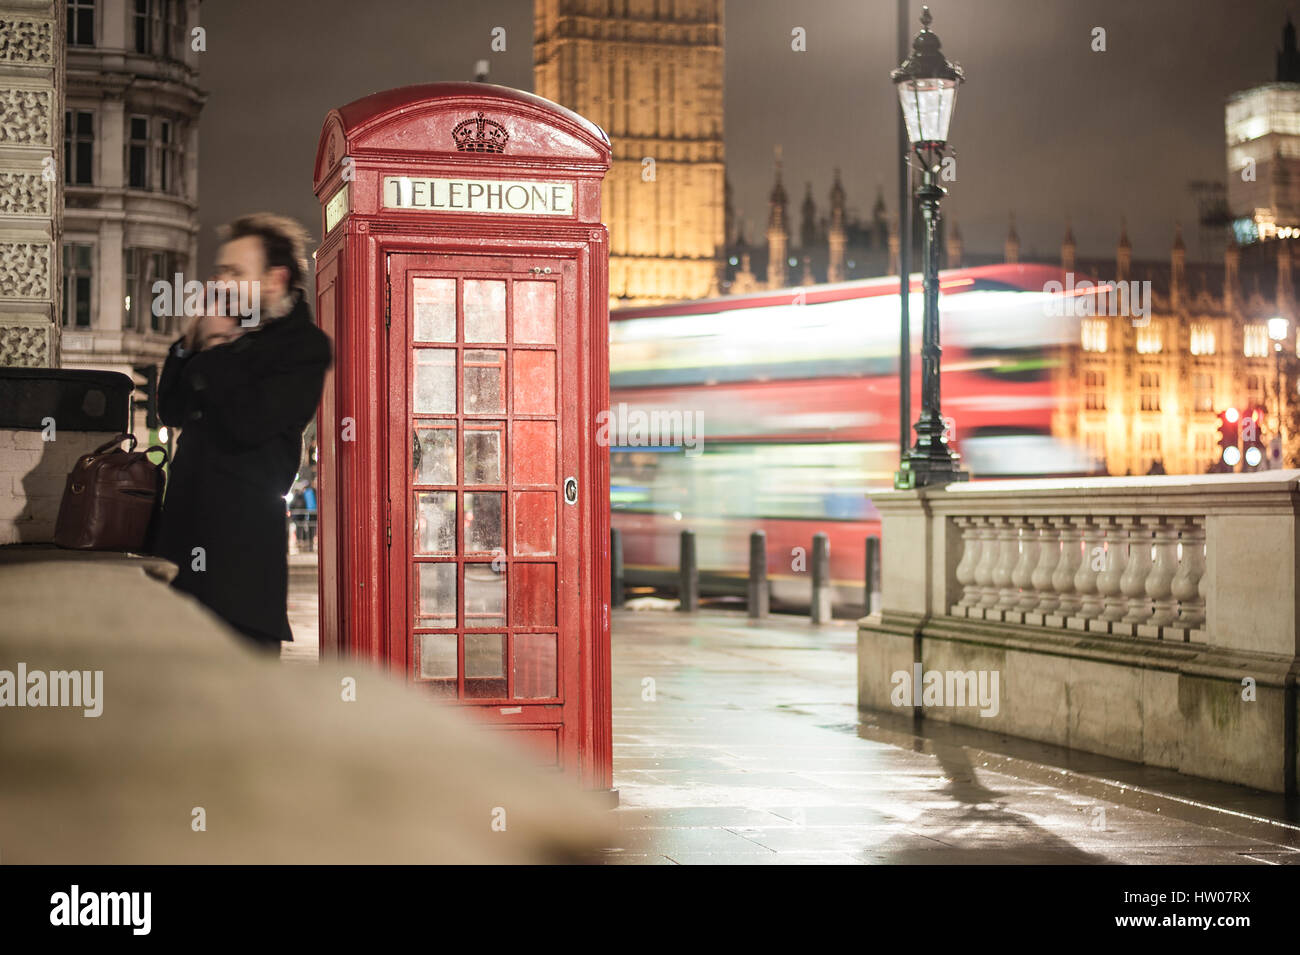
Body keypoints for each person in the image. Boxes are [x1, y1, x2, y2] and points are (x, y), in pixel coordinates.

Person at [155, 214, 332, 652]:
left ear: (274, 280)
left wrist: (213, 350)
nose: (219, 281)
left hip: (240, 567)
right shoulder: (228, 333)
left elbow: (249, 424)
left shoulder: (303, 347)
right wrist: (186, 345)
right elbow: (171, 409)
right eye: (220, 270)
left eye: (235, 272)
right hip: (179, 548)